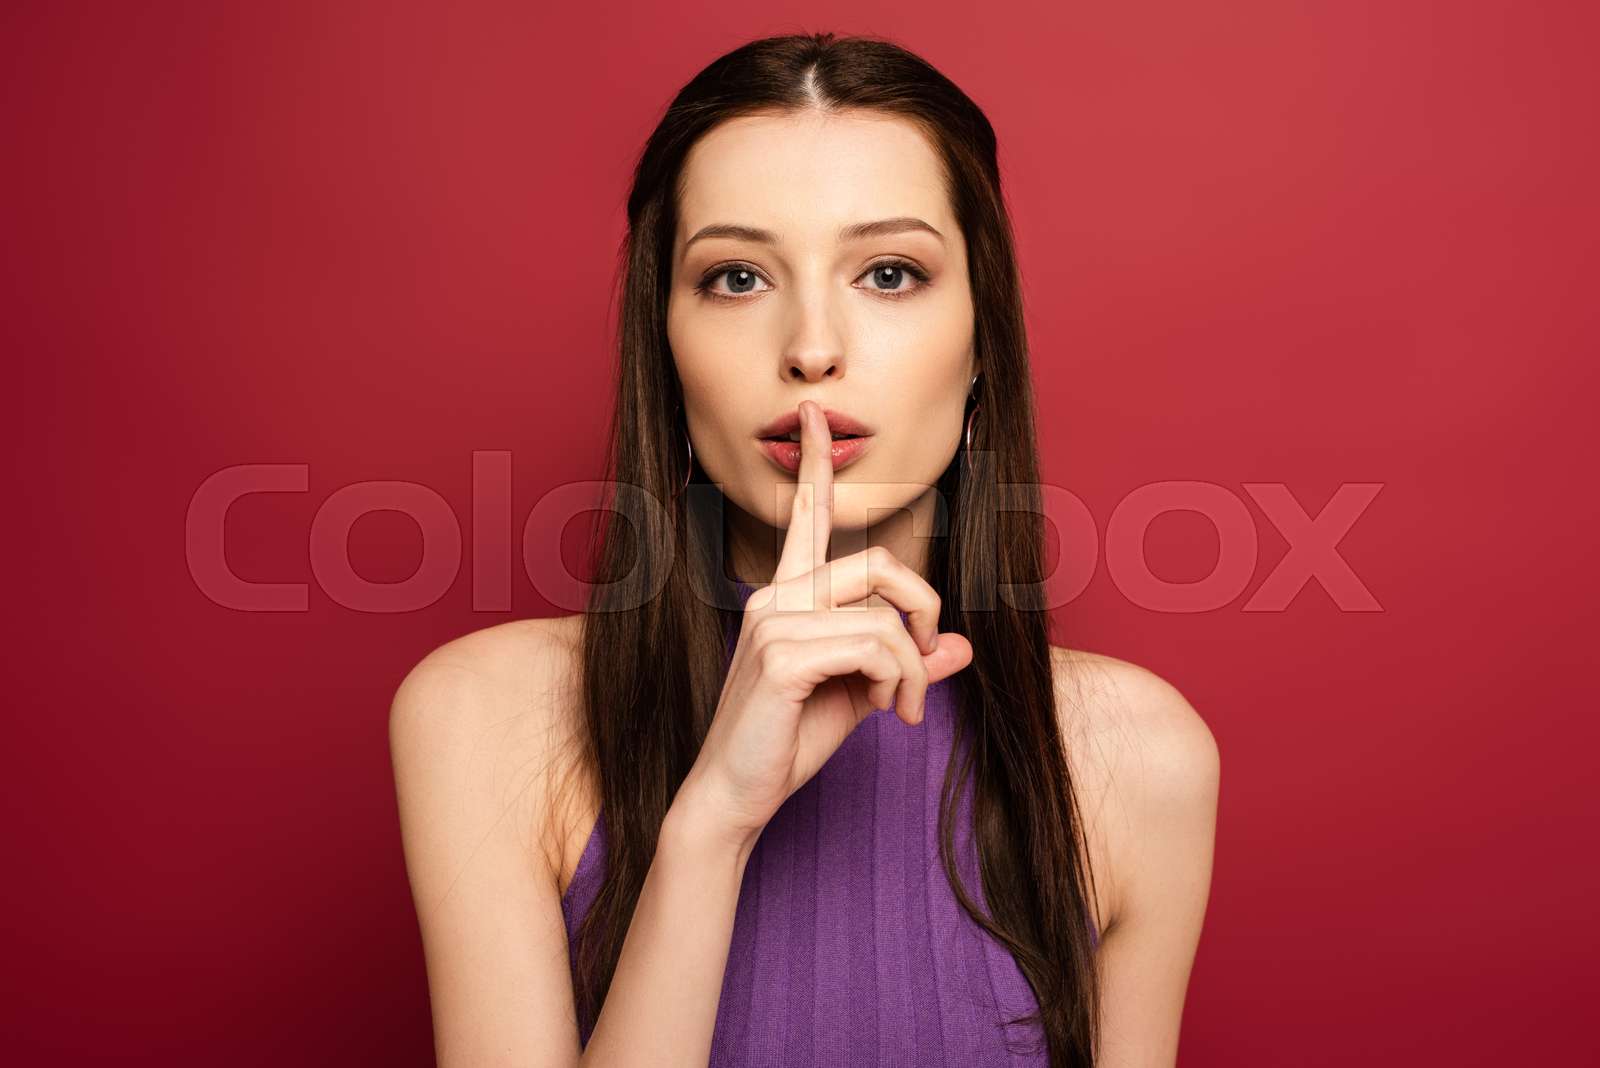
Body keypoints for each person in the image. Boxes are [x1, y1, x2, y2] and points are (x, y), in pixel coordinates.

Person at [389, 31, 1218, 1068]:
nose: (812, 346)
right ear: (664, 344)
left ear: (979, 347)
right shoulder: (487, 715)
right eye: (736, 276)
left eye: (888, 271)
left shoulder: (1135, 756)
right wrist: (711, 829)